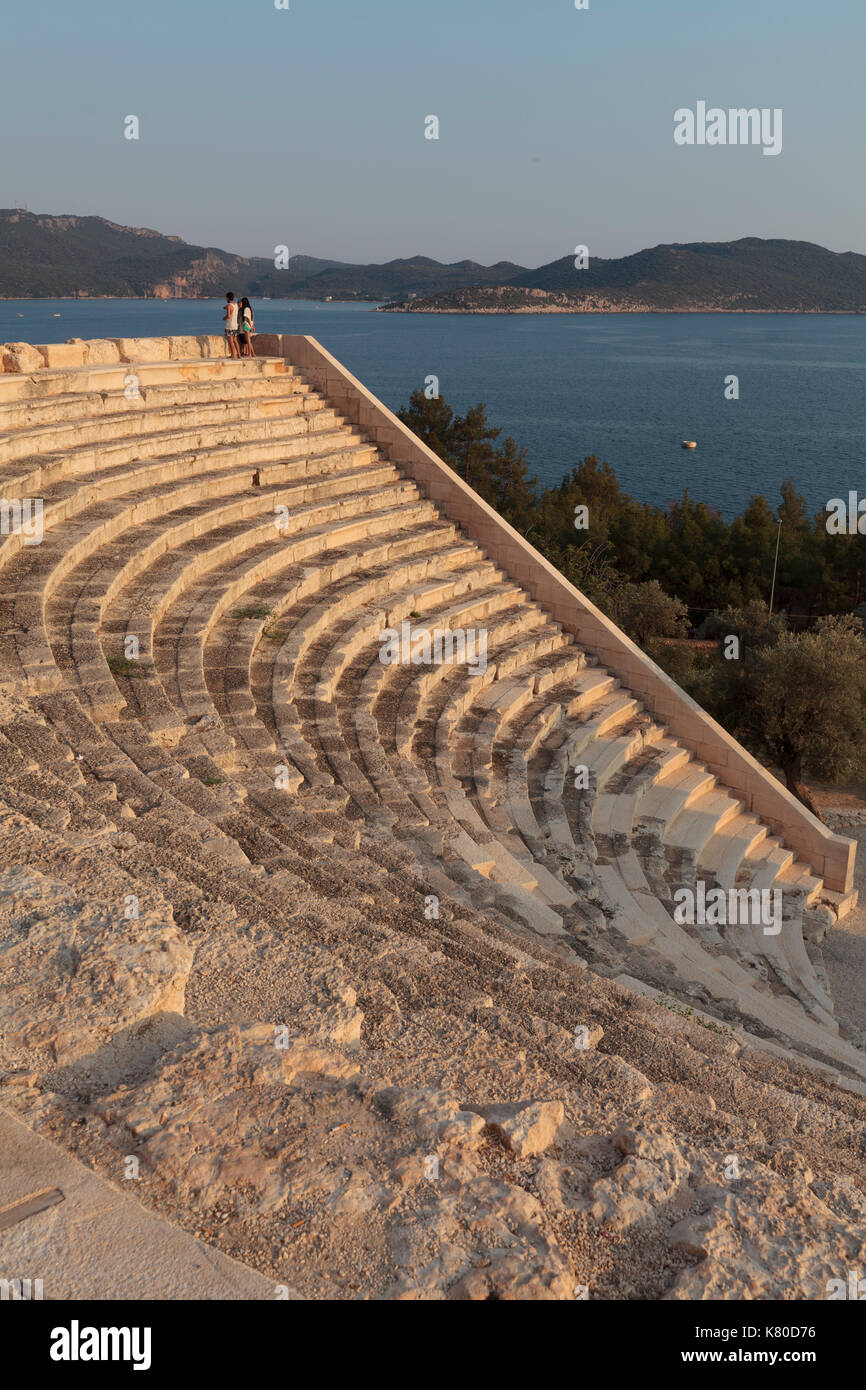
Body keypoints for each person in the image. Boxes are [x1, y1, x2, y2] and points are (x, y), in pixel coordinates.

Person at [223, 292, 240, 358]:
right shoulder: (236, 305)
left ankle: (233, 355)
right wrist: (225, 307)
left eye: (226, 298)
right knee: (235, 341)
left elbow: (228, 316)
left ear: (227, 298)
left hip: (229, 326)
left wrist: (224, 318)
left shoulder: (229, 306)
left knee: (230, 341)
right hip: (235, 326)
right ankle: (239, 355)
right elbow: (231, 309)